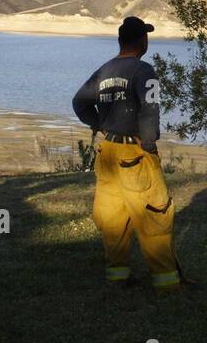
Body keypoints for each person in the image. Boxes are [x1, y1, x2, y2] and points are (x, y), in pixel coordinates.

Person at [71, 16, 181, 290]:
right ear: (142, 41)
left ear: (121, 41)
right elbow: (150, 108)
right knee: (154, 212)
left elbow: (79, 102)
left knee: (112, 215)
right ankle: (166, 282)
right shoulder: (144, 71)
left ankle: (117, 275)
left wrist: (99, 125)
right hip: (135, 151)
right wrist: (148, 142)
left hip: (107, 152)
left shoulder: (104, 70)